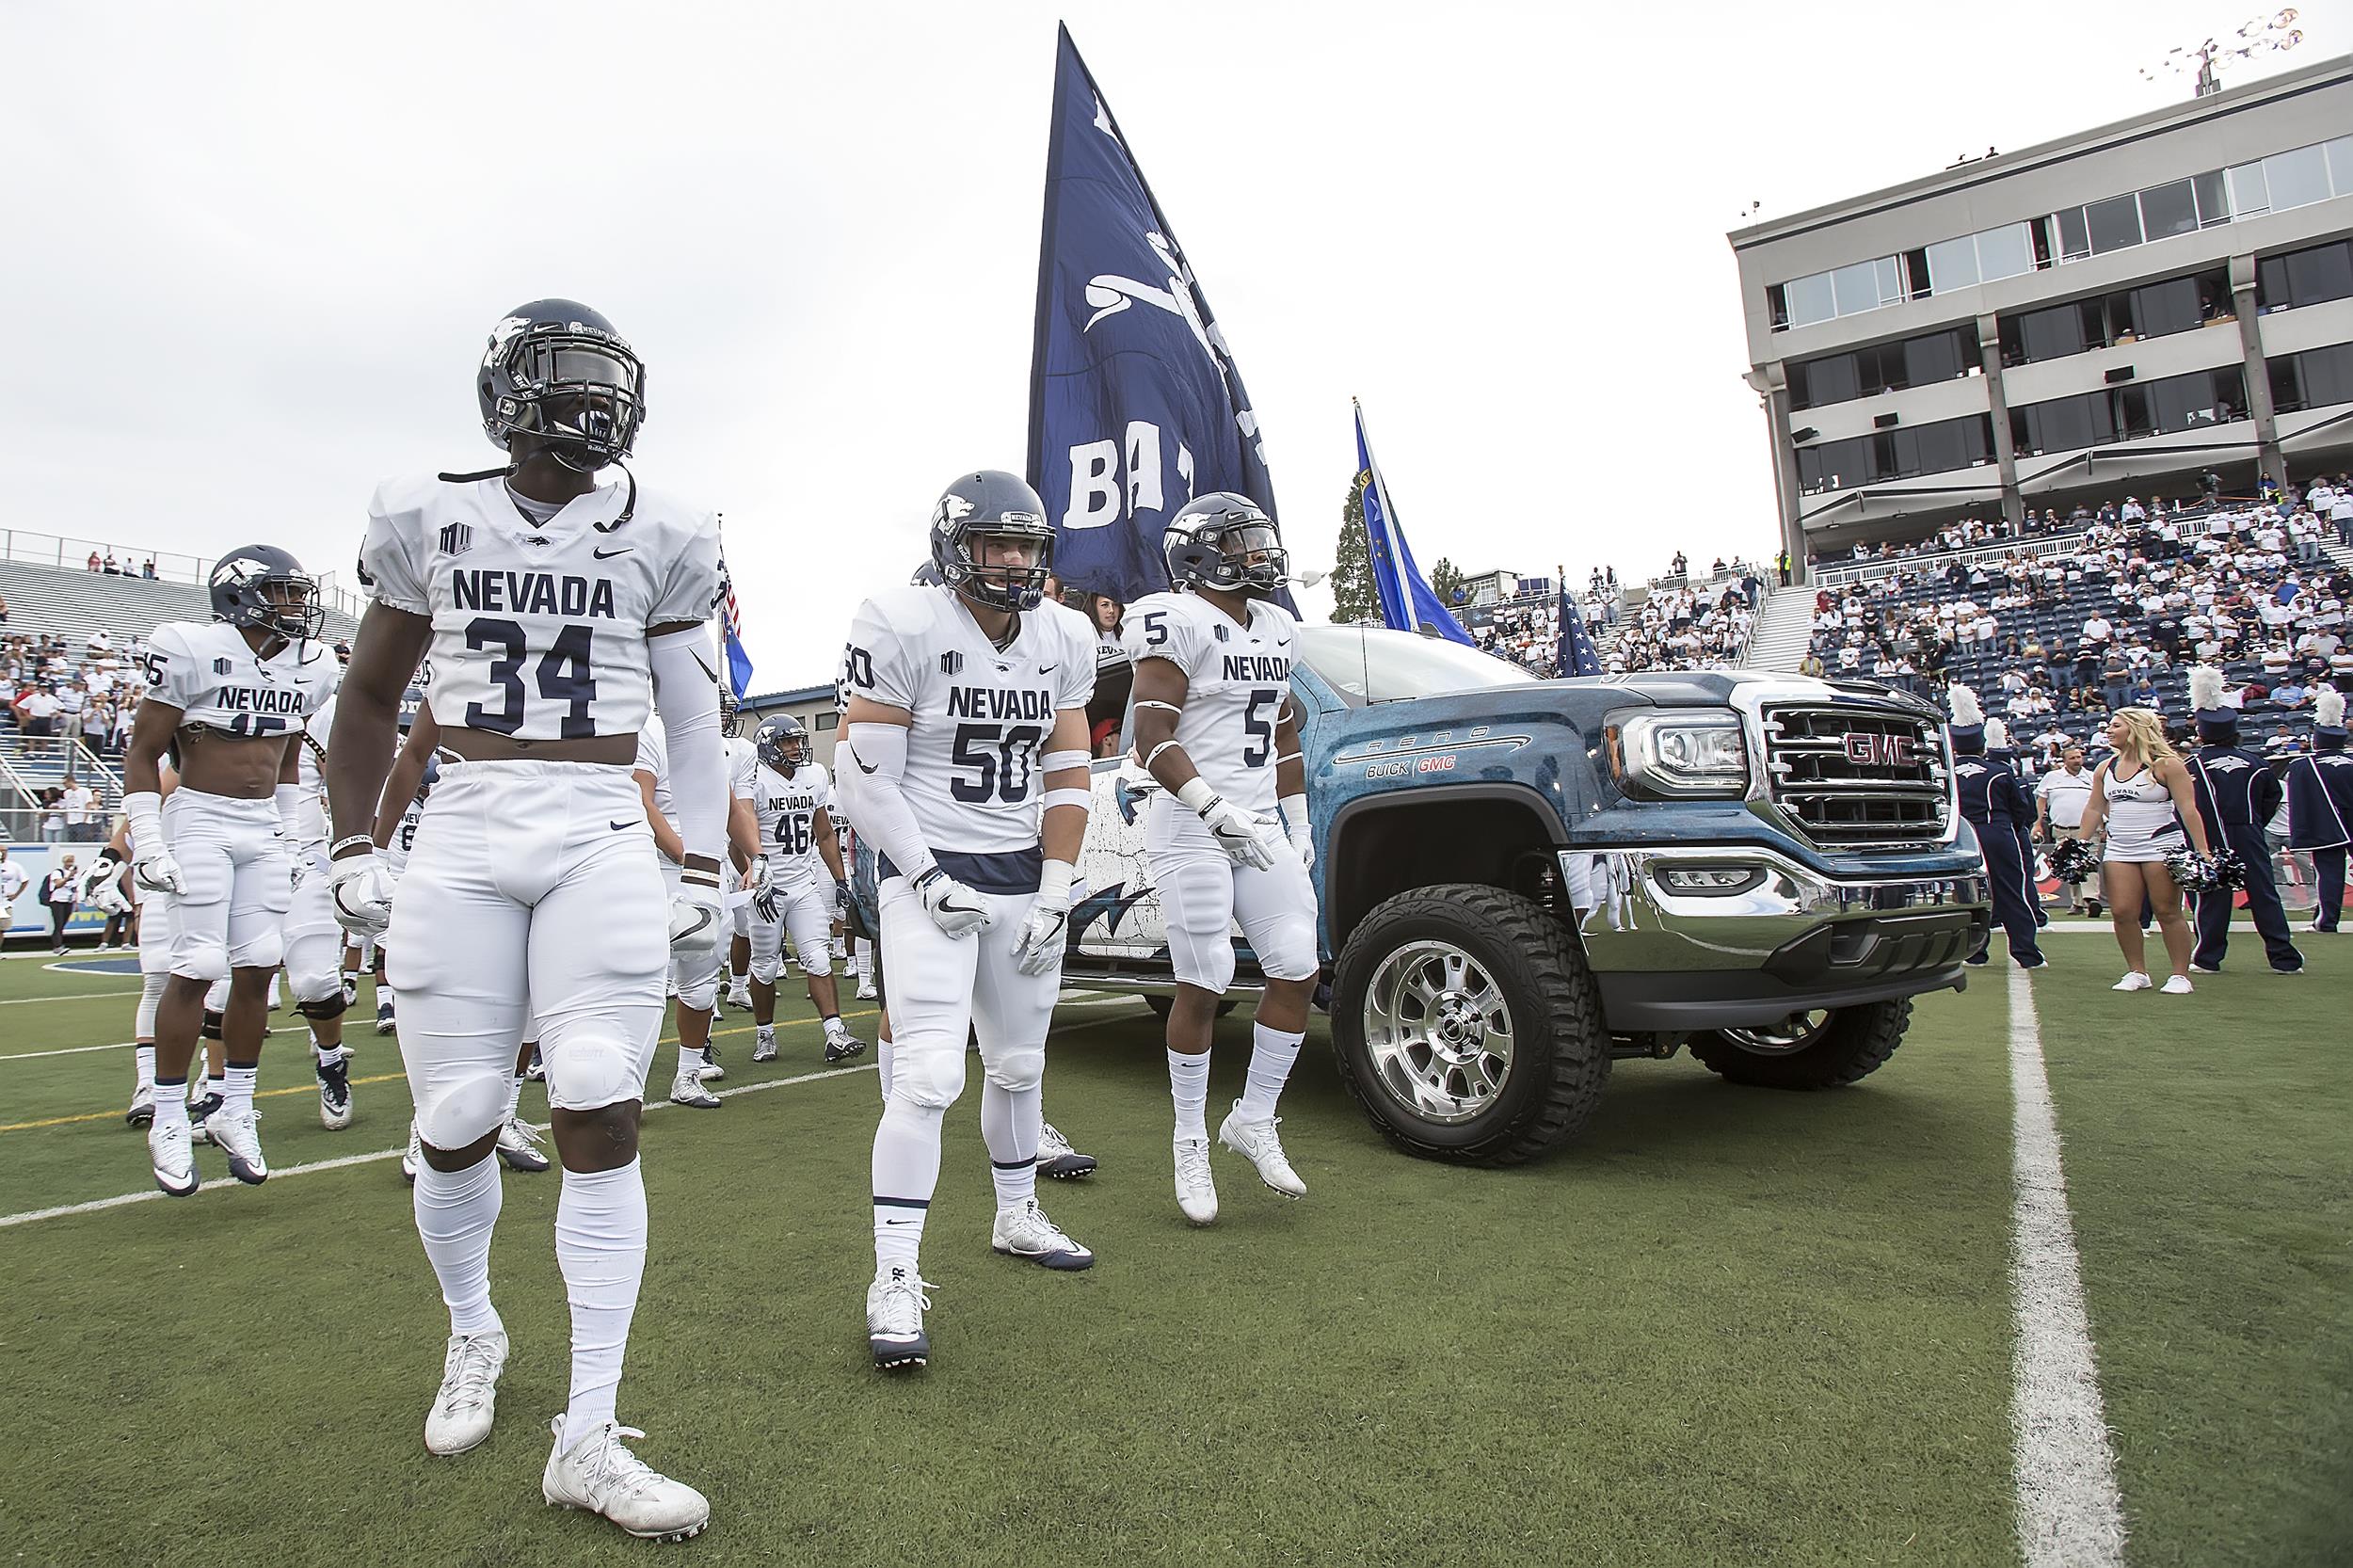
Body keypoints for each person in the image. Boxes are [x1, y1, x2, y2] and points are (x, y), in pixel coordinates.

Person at [324, 297, 716, 1538]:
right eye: (570, 374)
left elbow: (695, 720)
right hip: (470, 816)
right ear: (507, 388)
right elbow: (372, 694)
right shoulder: (427, 510)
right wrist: (349, 837)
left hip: (600, 813)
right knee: (456, 1117)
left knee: (598, 1089)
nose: (596, 398)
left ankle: (590, 1432)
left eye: (611, 377)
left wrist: (698, 861)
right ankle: (475, 1331)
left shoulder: (666, 524)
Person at [837, 469, 1099, 1372]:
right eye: (999, 544)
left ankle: (1017, 1214)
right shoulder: (903, 622)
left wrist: (1060, 884)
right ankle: (895, 1273)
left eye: (1027, 545)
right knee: (928, 1077)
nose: (1016, 561)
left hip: (1021, 872)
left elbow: (1069, 775)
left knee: (1021, 1065)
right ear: (958, 548)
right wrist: (921, 872)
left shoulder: (1065, 636)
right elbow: (861, 774)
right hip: (930, 870)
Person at [1124, 494, 1321, 1222]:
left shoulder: (1275, 625)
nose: (1258, 554)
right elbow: (1152, 736)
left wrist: (1294, 820)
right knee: (1204, 978)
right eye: (1241, 543)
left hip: (1260, 822)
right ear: (1200, 554)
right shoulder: (1172, 618)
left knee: (1297, 967)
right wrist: (1211, 806)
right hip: (1190, 821)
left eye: (1260, 540)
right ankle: (1188, 1140)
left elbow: (1285, 729)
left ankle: (1253, 1118)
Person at [121, 545, 336, 1192]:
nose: (298, 606)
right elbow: (144, 749)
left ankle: (235, 1106)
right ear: (242, 594)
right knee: (197, 967)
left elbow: (290, 756)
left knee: (261, 961)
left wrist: (295, 837)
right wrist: (148, 839)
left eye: (299, 593)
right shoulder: (189, 647)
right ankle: (165, 1114)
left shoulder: (311, 664)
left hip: (263, 824)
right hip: (201, 817)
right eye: (285, 593)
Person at [744, 713, 863, 1065]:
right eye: (787, 742)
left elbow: (824, 834)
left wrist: (840, 879)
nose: (796, 748)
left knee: (819, 957)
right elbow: (739, 835)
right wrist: (752, 876)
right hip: (767, 887)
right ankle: (765, 1034)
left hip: (803, 883)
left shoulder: (813, 777)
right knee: (764, 966)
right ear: (768, 746)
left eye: (798, 740)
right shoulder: (755, 780)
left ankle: (835, 1033)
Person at [2077, 707, 2210, 993]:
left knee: (2167, 911)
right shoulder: (2105, 767)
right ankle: (2137, 972)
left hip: (2160, 845)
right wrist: (2080, 842)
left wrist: (2202, 850)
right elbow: (2094, 807)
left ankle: (2179, 975)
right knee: (2123, 912)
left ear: (2136, 728)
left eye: (2115, 726)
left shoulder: (2167, 765)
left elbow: (2188, 809)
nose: (2108, 731)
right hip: (2120, 847)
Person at [2182, 667, 2303, 975]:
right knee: (2264, 894)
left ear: (2201, 733)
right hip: (2249, 832)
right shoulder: (2256, 763)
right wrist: (2254, 824)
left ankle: (2208, 958)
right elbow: (2272, 797)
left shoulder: (2191, 764)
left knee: (2212, 896)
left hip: (2209, 835)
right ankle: (2284, 958)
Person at [1948, 691, 2042, 969]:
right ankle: (2026, 953)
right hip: (1997, 834)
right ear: (1982, 746)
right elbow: (2021, 811)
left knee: (1970, 896)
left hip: (1962, 838)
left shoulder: (1947, 773)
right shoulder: (2000, 772)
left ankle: (1974, 953)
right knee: (2013, 892)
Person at [2286, 687, 2352, 931]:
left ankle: (2327, 922)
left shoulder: (2304, 765)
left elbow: (2300, 800)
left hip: (2327, 822)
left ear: (2316, 739)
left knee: (2329, 873)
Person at [2036, 745, 2098, 915]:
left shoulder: (2092, 777)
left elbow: (2101, 802)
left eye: (2079, 757)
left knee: (2089, 863)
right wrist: (2038, 822)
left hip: (2088, 828)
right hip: (2061, 829)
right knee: (2070, 866)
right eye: (2073, 758)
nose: (2077, 760)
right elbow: (2041, 800)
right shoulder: (2052, 777)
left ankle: (2091, 899)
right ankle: (2077, 903)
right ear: (2064, 761)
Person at [41, 853, 81, 952]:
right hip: (57, 901)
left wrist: (76, 903)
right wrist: (68, 877)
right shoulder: (58, 872)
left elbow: (75, 888)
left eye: (71, 861)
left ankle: (58, 943)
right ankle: (57, 945)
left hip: (68, 901)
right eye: (68, 861)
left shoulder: (75, 874)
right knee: (58, 923)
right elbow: (58, 884)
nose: (70, 863)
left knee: (63, 923)